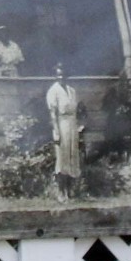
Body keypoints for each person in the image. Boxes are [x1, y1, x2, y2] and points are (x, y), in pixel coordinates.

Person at [46, 64, 81, 202]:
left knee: (73, 157)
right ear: (55, 76)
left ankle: (70, 192)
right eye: (58, 75)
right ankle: (61, 193)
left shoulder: (72, 91)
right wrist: (57, 132)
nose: (61, 77)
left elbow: (76, 110)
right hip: (61, 124)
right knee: (62, 158)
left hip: (72, 124)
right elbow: (53, 114)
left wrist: (79, 126)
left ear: (67, 76)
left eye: (63, 74)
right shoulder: (53, 91)